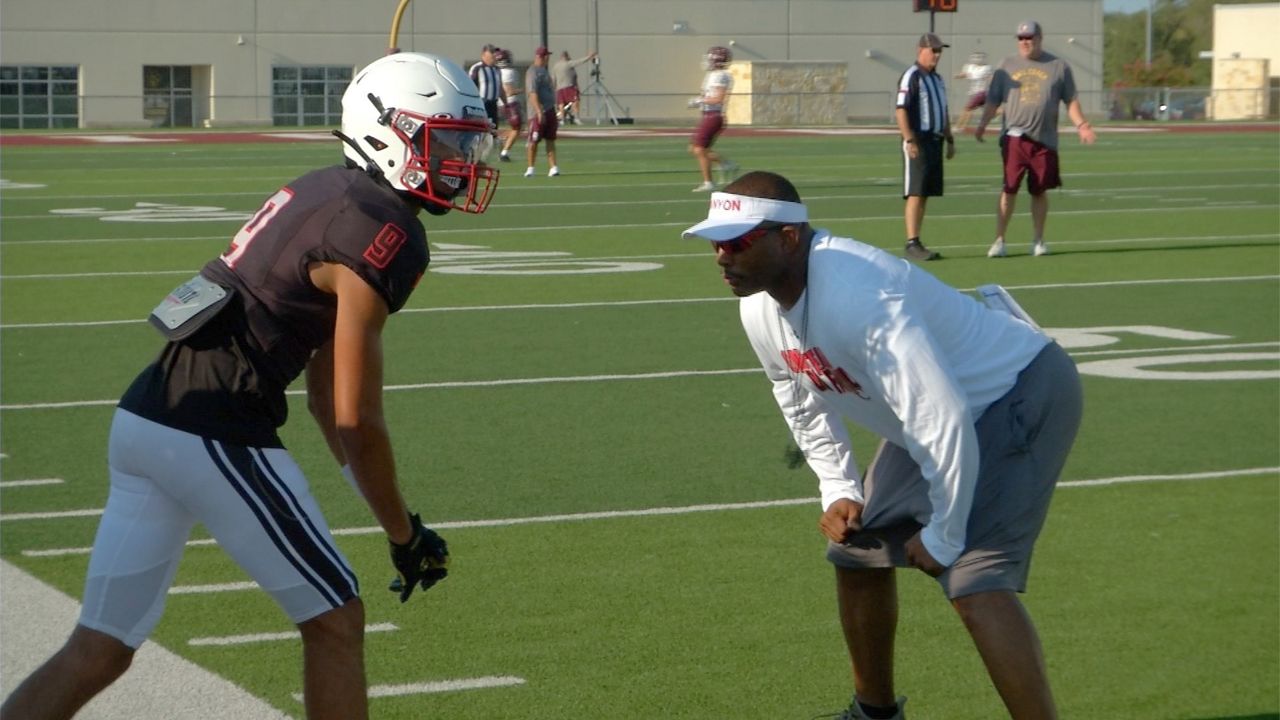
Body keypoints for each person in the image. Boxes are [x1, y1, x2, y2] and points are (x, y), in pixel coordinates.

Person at [0, 51, 500, 720]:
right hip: (214, 432)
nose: (461, 162)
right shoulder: (383, 228)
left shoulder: (329, 188)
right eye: (448, 143)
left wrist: (391, 519)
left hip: (147, 415)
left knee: (101, 645)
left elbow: (326, 399)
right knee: (336, 618)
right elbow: (354, 415)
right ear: (390, 134)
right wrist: (403, 533)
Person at [683, 171, 1083, 720]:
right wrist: (839, 487)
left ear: (789, 237)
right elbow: (796, 391)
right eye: (716, 243)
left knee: (973, 578)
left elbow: (940, 417)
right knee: (857, 547)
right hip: (942, 415)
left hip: (1017, 391)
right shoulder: (758, 308)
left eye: (738, 242)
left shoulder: (860, 295)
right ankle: (874, 713)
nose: (722, 257)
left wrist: (943, 533)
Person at [975, 20, 1096, 258]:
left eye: (1029, 37)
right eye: (1021, 38)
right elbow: (993, 101)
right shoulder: (1006, 66)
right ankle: (999, 240)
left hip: (1045, 140)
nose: (1025, 42)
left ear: (1040, 38)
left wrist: (1082, 125)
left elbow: (1070, 100)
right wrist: (982, 124)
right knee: (1009, 189)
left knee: (1039, 191)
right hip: (1015, 137)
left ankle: (1038, 240)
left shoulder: (1058, 66)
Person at [894, 33, 955, 263]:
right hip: (918, 139)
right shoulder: (912, 76)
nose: (937, 55)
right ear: (921, 50)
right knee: (916, 192)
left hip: (935, 140)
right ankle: (912, 242)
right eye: (934, 50)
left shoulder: (937, 79)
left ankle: (917, 240)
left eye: (940, 51)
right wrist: (909, 139)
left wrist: (949, 139)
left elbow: (944, 110)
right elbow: (901, 110)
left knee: (925, 193)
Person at [688, 45, 738, 192]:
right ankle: (726, 164)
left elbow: (718, 98)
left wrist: (699, 101)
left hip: (713, 115)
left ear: (716, 60)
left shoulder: (719, 75)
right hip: (709, 115)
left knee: (699, 149)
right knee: (695, 148)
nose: (707, 61)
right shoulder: (715, 75)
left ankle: (709, 182)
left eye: (709, 58)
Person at [524, 45, 561, 177]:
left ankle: (553, 167)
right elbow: (532, 93)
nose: (548, 58)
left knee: (550, 139)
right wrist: (539, 111)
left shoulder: (544, 71)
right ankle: (530, 168)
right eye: (547, 56)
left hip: (550, 110)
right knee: (534, 140)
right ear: (542, 56)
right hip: (537, 113)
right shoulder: (532, 72)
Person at [552, 49, 597, 125]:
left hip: (559, 89)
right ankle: (576, 118)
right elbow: (579, 62)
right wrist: (589, 57)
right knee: (575, 102)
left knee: (561, 104)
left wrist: (553, 89)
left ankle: (562, 119)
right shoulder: (568, 64)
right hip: (569, 87)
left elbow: (553, 79)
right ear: (566, 57)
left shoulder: (555, 66)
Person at [469, 43, 507, 130]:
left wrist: (506, 104)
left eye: (494, 55)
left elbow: (500, 88)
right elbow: (471, 87)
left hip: (494, 103)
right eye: (491, 55)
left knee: (493, 129)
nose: (493, 57)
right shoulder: (477, 68)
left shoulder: (497, 69)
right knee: (482, 128)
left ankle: (492, 142)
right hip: (482, 104)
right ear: (483, 55)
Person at [494, 47, 523, 162]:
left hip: (503, 104)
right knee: (517, 129)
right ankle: (504, 152)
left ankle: (502, 138)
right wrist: (523, 90)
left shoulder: (498, 71)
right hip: (510, 103)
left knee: (517, 128)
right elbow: (509, 91)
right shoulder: (508, 72)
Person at [953, 50, 993, 131]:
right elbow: (965, 74)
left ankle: (959, 127)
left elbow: (991, 77)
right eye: (976, 57)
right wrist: (957, 76)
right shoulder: (969, 67)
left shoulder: (986, 68)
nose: (977, 59)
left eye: (979, 57)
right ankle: (1004, 113)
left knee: (967, 109)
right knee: (991, 109)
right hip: (974, 93)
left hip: (980, 92)